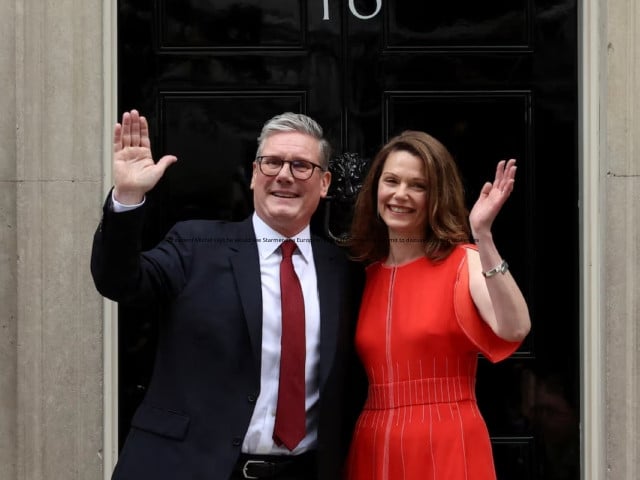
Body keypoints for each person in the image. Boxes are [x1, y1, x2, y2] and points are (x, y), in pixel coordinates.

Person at [91, 110, 363, 480]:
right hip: (186, 467)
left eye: (301, 165)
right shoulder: (195, 245)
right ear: (254, 174)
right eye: (272, 163)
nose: (284, 175)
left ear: (325, 182)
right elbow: (119, 281)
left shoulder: (343, 271)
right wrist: (127, 196)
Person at [344, 130, 531, 480]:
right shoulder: (365, 276)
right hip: (373, 440)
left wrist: (484, 235)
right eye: (392, 181)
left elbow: (515, 326)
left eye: (418, 185)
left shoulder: (464, 261)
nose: (401, 194)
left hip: (446, 437)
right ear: (376, 189)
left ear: (436, 196)